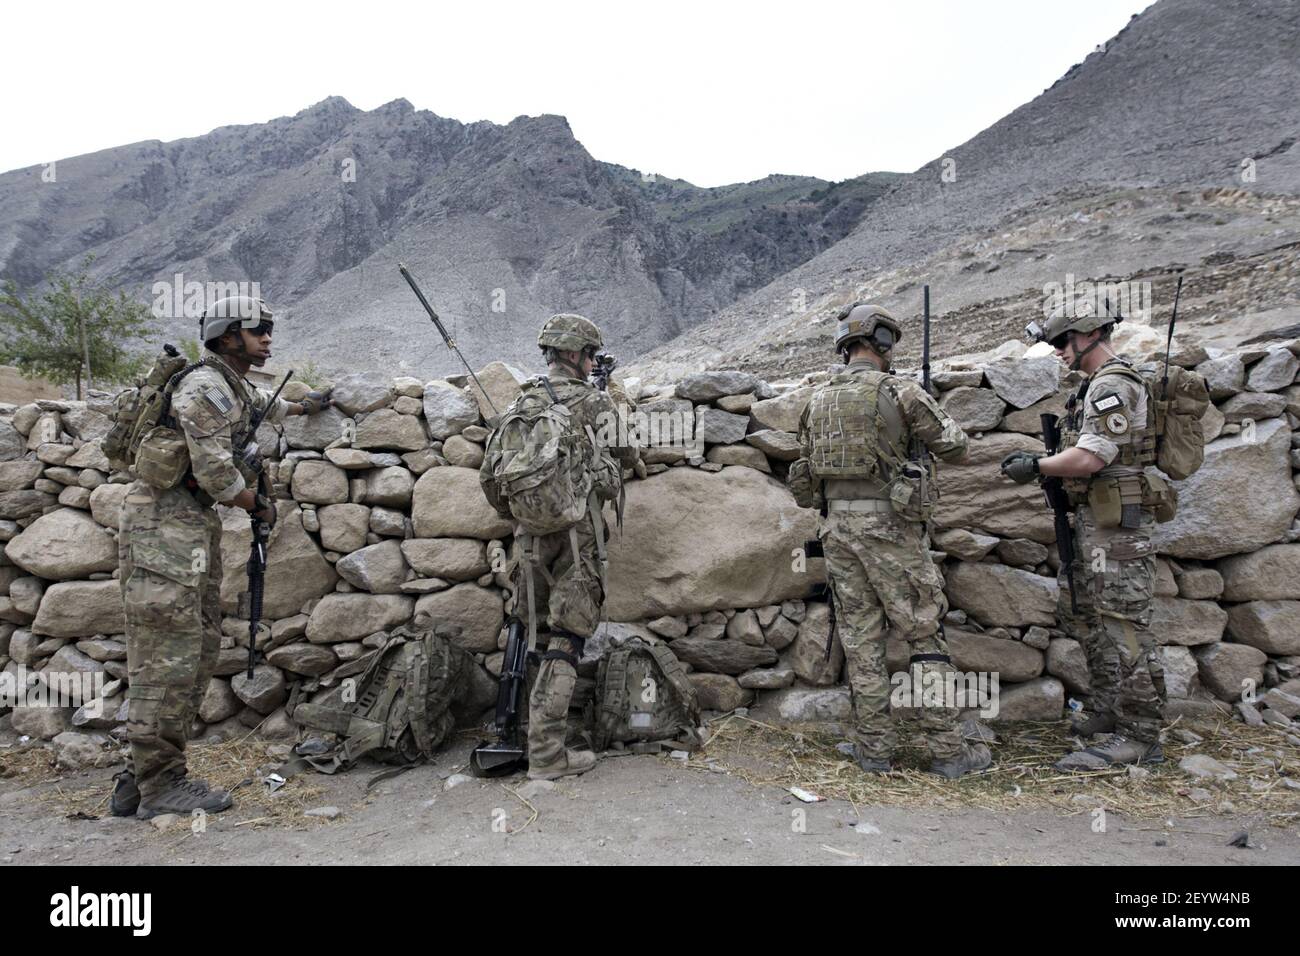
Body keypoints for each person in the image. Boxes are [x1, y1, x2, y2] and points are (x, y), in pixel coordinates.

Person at [112, 296, 333, 819]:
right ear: (227, 334)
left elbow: (267, 406)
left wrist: (308, 406)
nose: (268, 340)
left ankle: (138, 779)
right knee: (167, 658)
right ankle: (159, 785)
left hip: (186, 526)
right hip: (163, 528)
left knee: (194, 650)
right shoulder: (206, 387)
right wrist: (259, 505)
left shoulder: (231, 385)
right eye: (258, 331)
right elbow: (216, 475)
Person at [792, 302, 991, 779]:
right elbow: (957, 447)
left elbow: (804, 470)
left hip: (836, 528)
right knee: (923, 634)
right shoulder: (900, 391)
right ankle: (947, 752)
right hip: (891, 530)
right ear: (881, 340)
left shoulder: (817, 399)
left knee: (861, 641)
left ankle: (874, 752)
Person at [1002, 306, 1164, 769]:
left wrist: (1036, 465)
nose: (1057, 352)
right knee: (1092, 620)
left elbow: (1092, 457)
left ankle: (1141, 736)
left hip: (1117, 526)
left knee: (1125, 625)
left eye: (1061, 342)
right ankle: (1109, 713)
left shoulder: (1112, 384)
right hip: (1096, 519)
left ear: (1090, 334)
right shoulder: (1093, 386)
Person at [479, 314, 630, 780]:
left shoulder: (521, 402)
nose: (590, 363)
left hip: (527, 536)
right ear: (575, 354)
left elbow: (490, 477)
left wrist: (524, 518)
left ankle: (524, 733)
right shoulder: (593, 401)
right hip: (577, 535)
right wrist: (613, 399)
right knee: (570, 634)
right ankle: (547, 755)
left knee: (533, 630)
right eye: (589, 354)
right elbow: (628, 455)